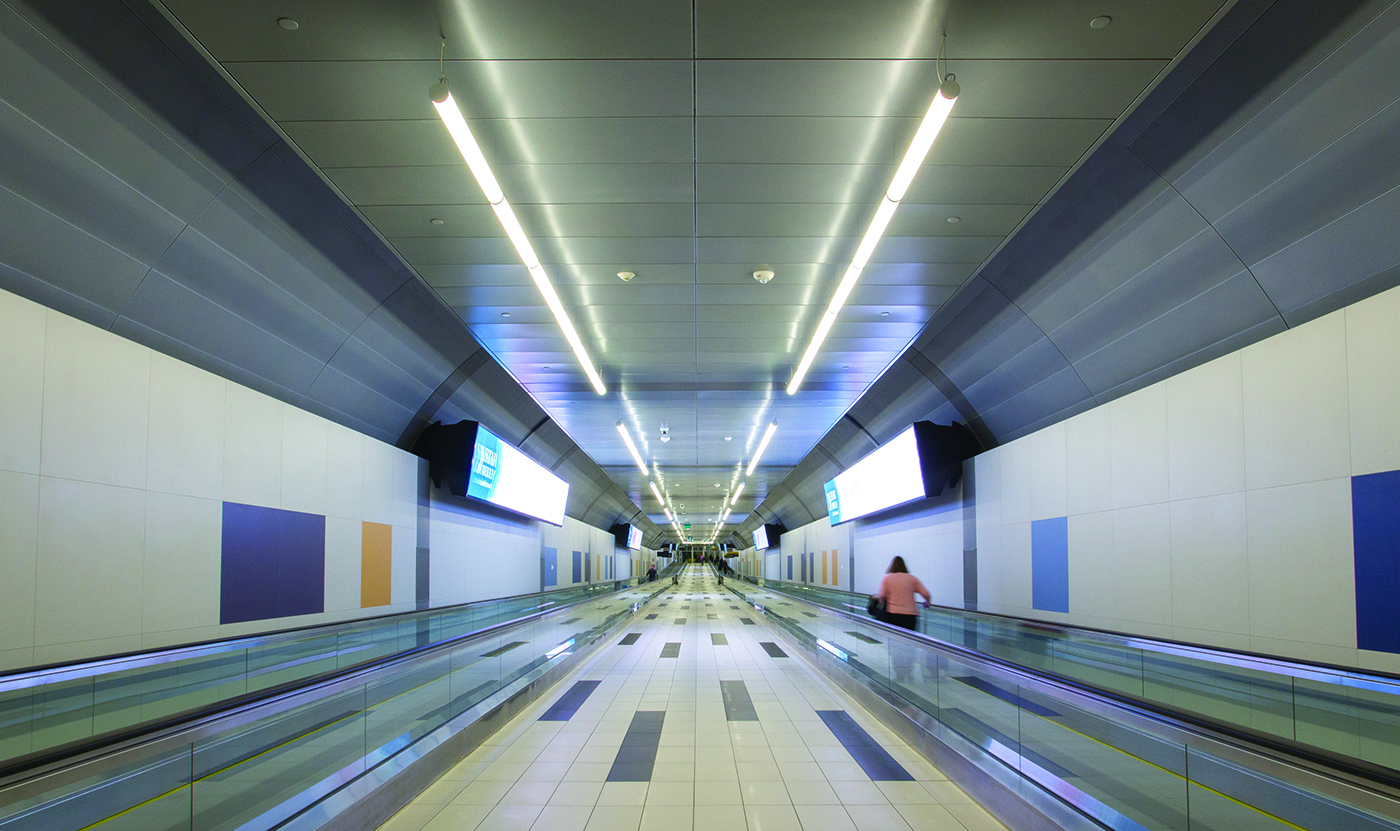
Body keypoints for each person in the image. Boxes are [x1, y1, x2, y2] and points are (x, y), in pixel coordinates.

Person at [876, 556, 930, 632]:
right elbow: (926, 594)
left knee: (894, 638)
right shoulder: (912, 578)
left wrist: (882, 603)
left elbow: (881, 596)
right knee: (909, 639)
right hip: (910, 615)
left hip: (892, 614)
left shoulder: (887, 578)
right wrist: (927, 602)